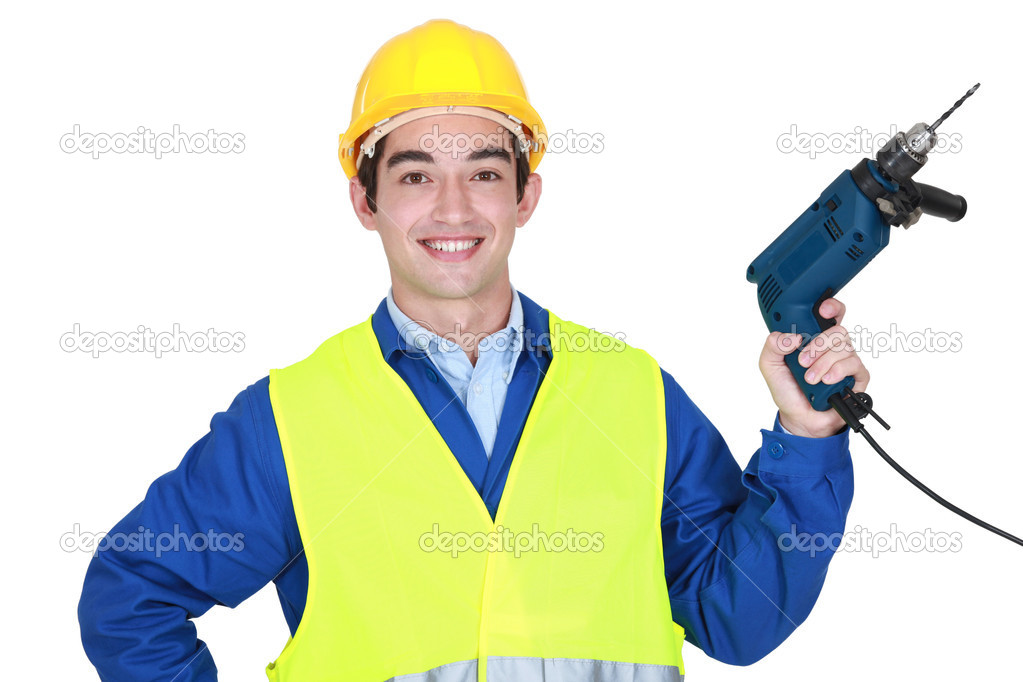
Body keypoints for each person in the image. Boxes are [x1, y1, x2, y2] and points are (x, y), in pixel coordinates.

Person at [78, 18, 868, 682]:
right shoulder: (289, 418)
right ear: (366, 199)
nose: (452, 208)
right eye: (416, 175)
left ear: (525, 195)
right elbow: (130, 597)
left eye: (484, 173)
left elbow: (739, 620)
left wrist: (807, 437)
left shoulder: (632, 393)